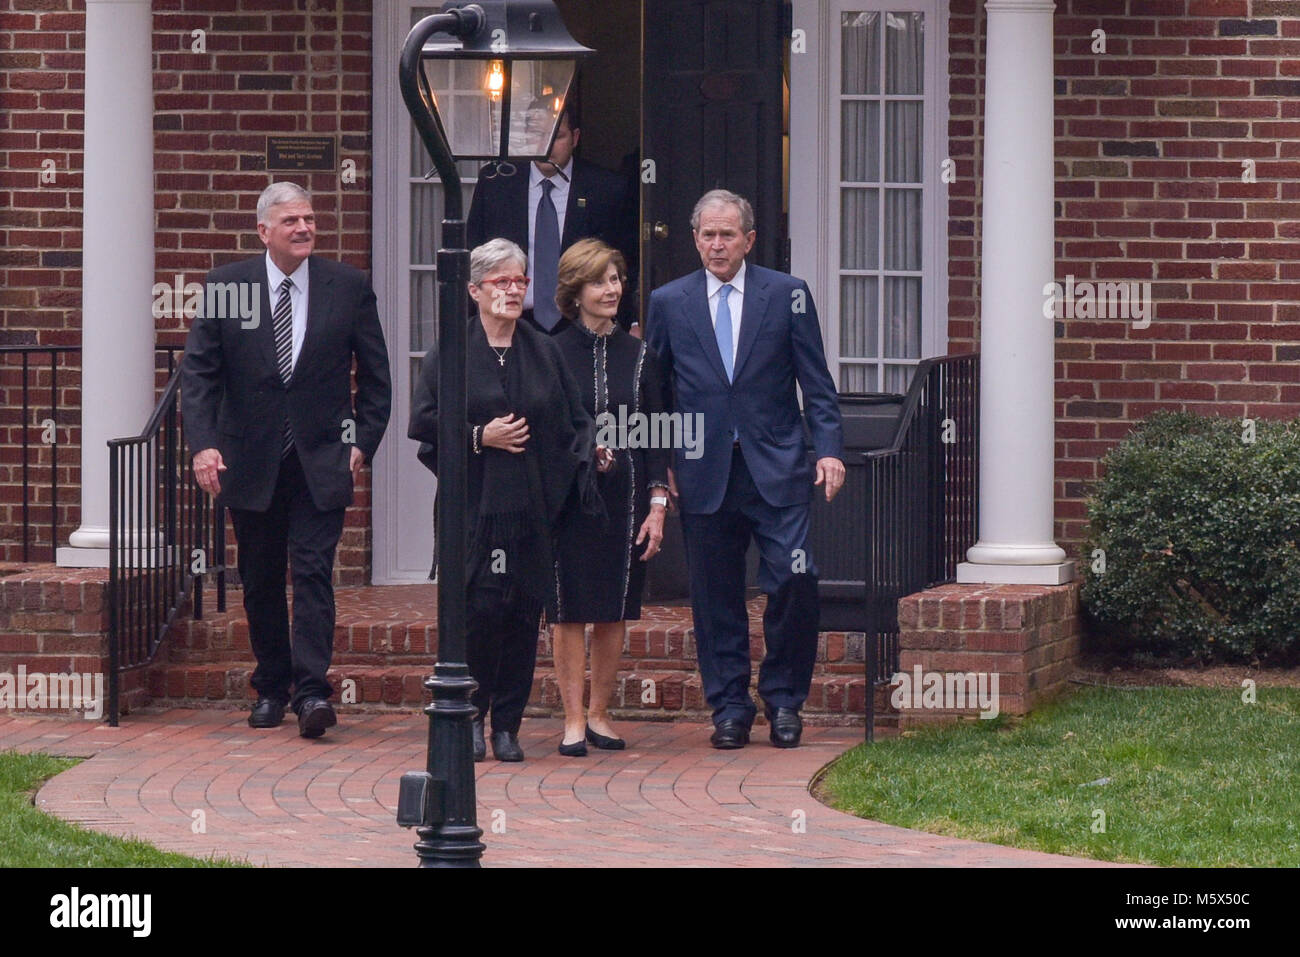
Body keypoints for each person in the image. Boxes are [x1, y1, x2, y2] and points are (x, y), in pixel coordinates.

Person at [182, 181, 392, 739]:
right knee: (260, 577)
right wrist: (203, 444)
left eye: (309, 219)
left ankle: (312, 693)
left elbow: (376, 379)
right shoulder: (227, 286)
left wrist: (360, 444)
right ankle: (272, 686)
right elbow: (199, 376)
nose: (304, 228)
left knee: (315, 572)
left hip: (320, 458)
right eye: (291, 221)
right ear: (263, 231)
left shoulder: (347, 287)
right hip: (248, 459)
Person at [645, 189, 844, 750]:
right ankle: (729, 706)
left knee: (794, 580)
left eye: (726, 235)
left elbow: (817, 384)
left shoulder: (788, 296)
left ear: (749, 240)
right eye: (707, 235)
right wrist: (663, 469)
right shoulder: (668, 301)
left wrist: (827, 448)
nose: (716, 245)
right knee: (715, 596)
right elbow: (655, 395)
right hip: (703, 470)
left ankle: (784, 700)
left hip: (777, 466)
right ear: (695, 239)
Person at [407, 238, 601, 763]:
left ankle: (508, 726)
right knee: (478, 612)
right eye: (501, 282)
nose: (513, 290)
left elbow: (573, 420)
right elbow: (423, 421)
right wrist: (479, 437)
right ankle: (470, 716)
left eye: (520, 281)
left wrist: (588, 453)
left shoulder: (544, 350)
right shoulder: (451, 350)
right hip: (474, 511)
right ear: (474, 290)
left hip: (531, 509)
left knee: (521, 613)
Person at [550, 239, 670, 756]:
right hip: (567, 497)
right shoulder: (549, 350)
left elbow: (659, 432)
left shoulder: (640, 355)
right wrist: (582, 450)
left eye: (616, 278)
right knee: (568, 609)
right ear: (575, 291)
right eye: (599, 280)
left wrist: (658, 504)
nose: (612, 289)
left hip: (625, 497)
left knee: (615, 606)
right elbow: (543, 426)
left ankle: (601, 713)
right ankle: (572, 719)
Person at [466, 100, 638, 335]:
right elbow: (473, 257)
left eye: (557, 137)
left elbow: (625, 260)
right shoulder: (497, 183)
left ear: (575, 138)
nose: (545, 146)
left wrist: (632, 321)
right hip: (510, 321)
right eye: (537, 134)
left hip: (582, 323)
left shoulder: (607, 189)